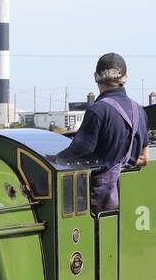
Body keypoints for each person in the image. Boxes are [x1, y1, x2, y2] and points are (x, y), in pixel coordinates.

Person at [56, 52, 149, 212]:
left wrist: (53, 160)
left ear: (96, 77)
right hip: (128, 202)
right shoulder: (139, 111)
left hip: (98, 202)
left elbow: (78, 153)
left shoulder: (98, 110)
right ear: (125, 78)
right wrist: (121, 163)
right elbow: (145, 158)